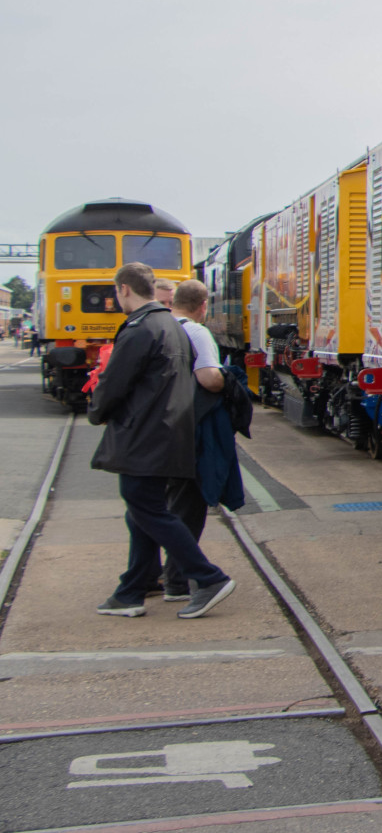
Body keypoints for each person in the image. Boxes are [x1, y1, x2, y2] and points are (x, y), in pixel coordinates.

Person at [88, 262, 235, 619]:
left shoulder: (139, 329)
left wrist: (96, 410)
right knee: (143, 509)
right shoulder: (171, 324)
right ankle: (131, 591)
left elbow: (115, 383)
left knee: (146, 506)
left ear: (124, 288)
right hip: (168, 430)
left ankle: (207, 576)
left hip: (143, 433)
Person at [163, 280, 242, 602]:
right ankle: (178, 580)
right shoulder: (196, 332)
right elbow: (209, 378)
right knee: (189, 505)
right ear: (203, 305)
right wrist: (228, 380)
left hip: (159, 428)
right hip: (188, 428)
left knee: (162, 504)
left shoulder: (160, 327)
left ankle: (148, 577)